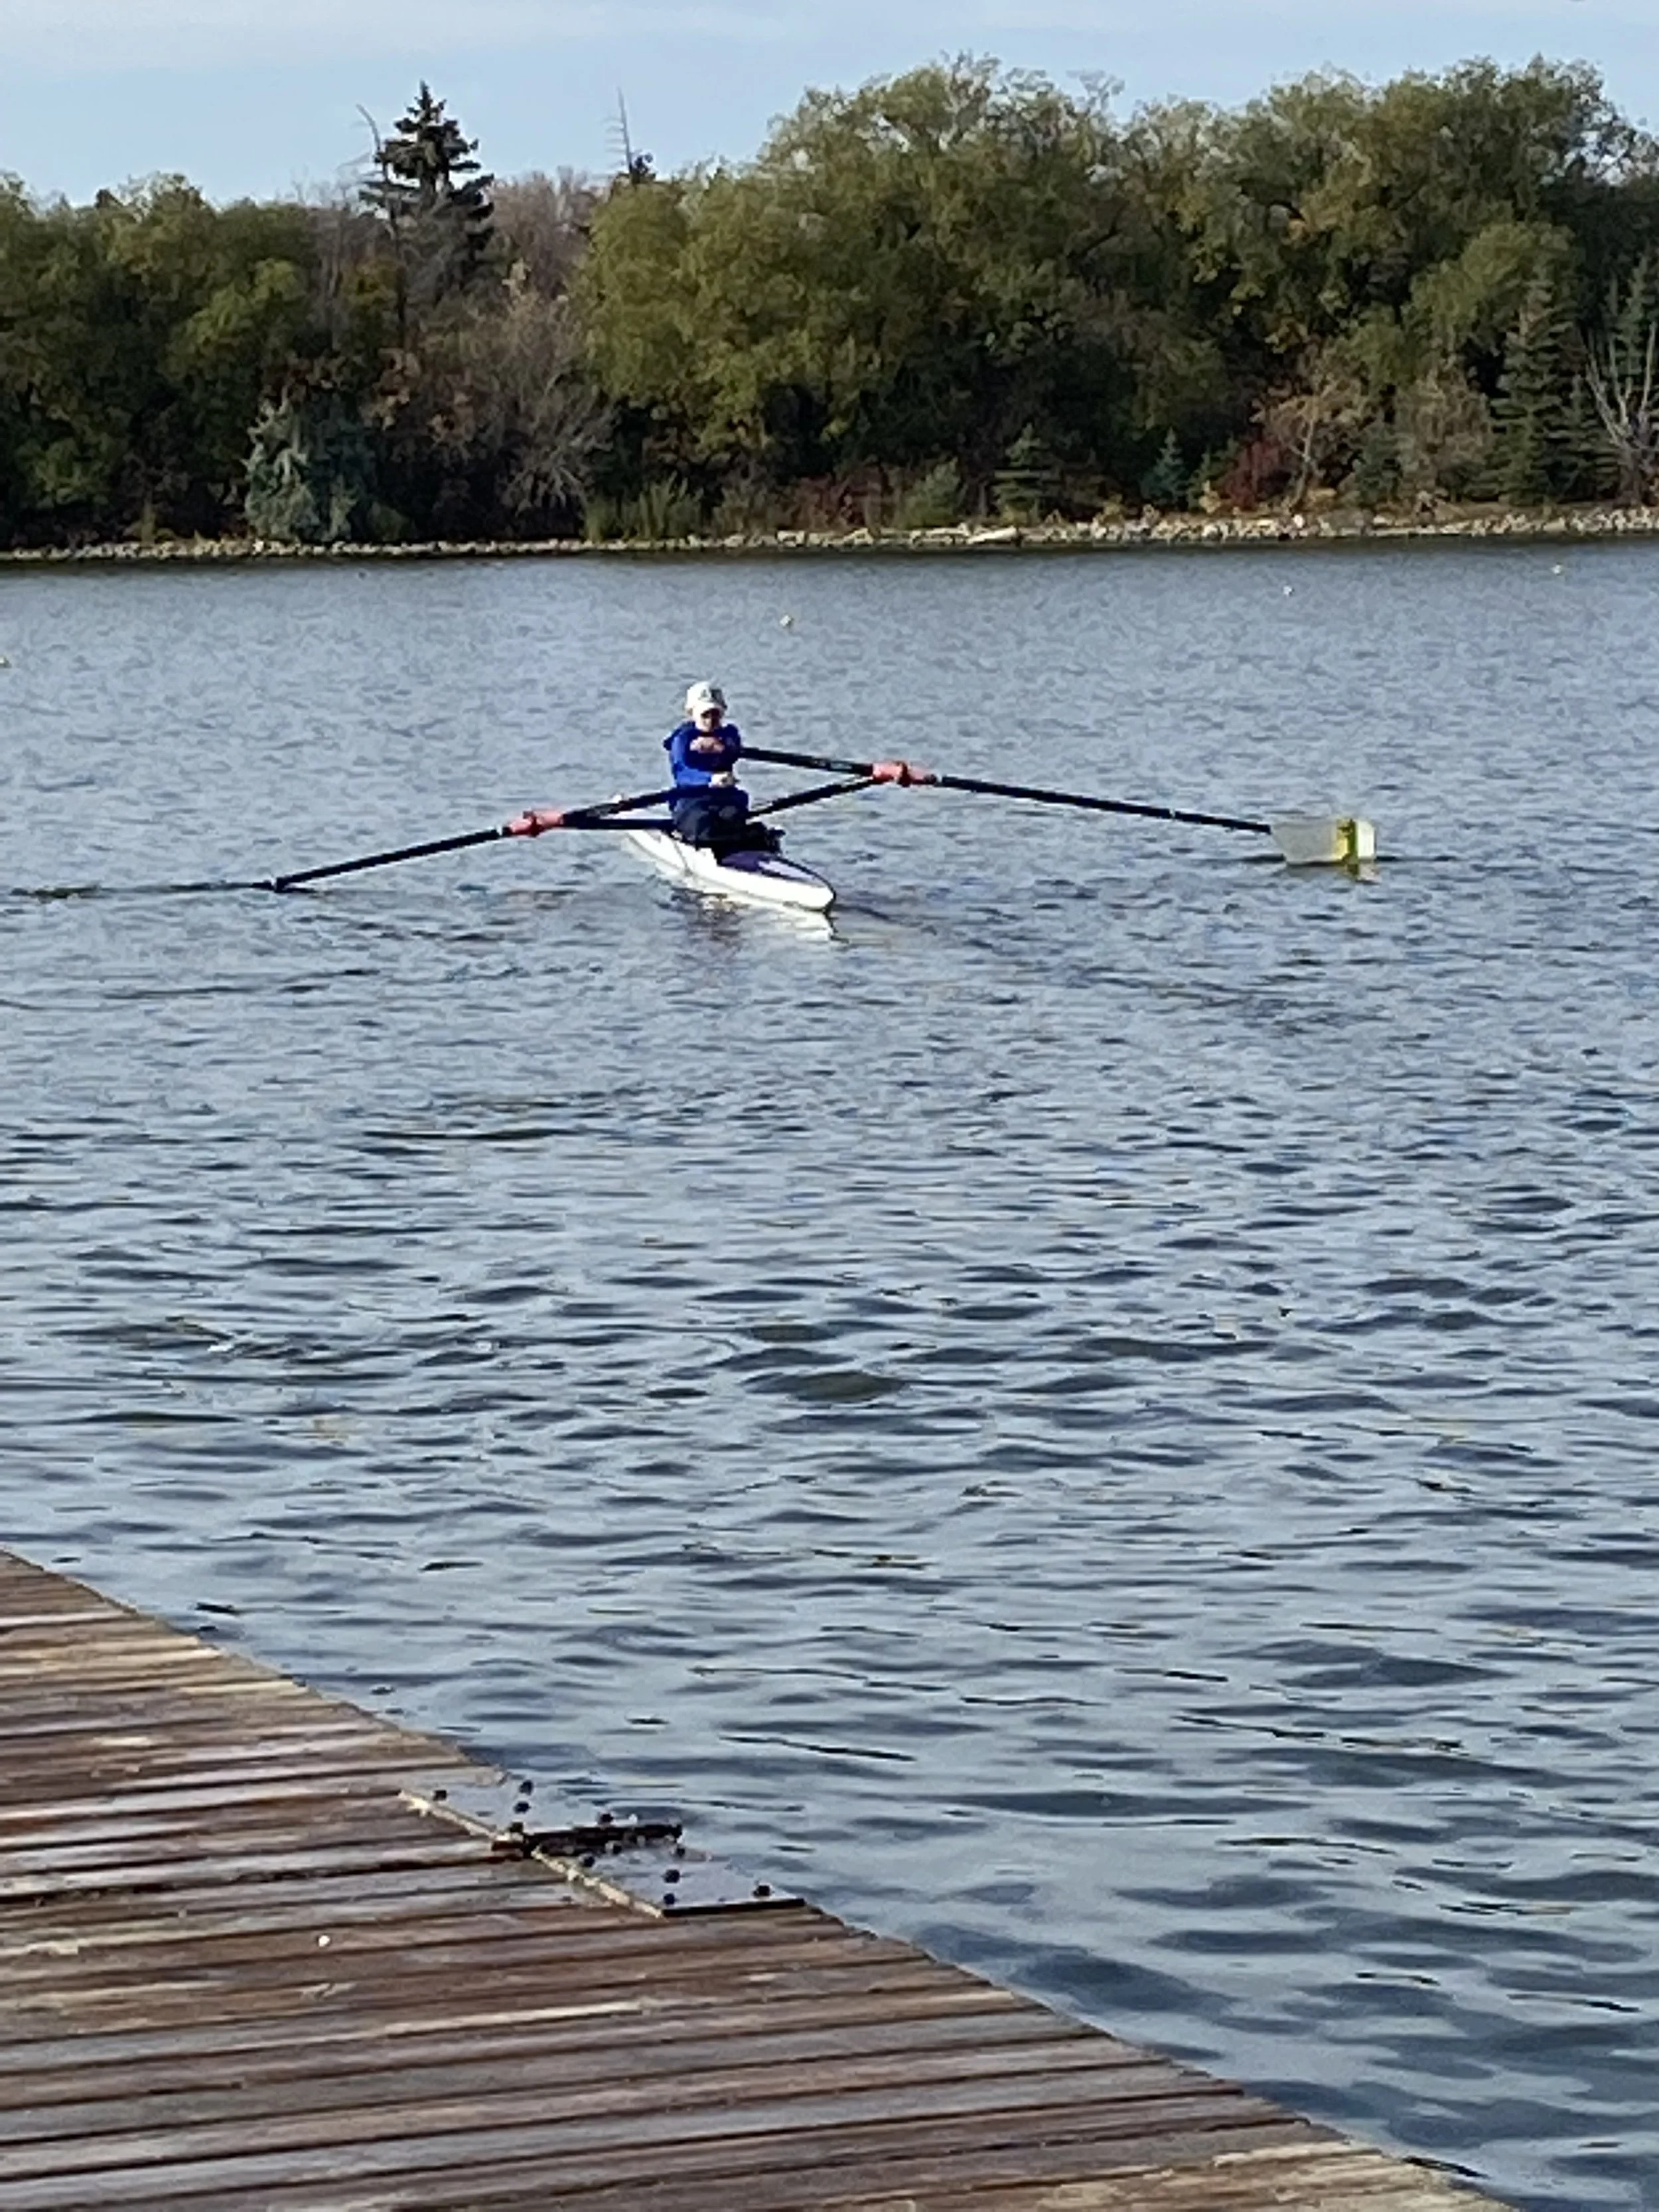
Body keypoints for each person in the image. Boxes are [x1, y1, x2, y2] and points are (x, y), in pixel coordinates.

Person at [663, 682, 777, 855]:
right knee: (704, 824)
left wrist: (723, 746)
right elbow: (683, 772)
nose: (711, 720)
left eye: (715, 714)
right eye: (705, 714)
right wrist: (710, 779)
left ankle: (746, 844)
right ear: (691, 714)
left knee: (733, 817)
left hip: (725, 798)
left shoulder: (729, 734)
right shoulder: (683, 739)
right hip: (691, 799)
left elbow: (734, 746)